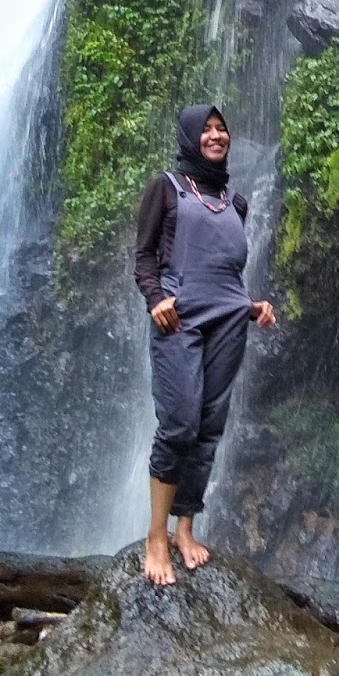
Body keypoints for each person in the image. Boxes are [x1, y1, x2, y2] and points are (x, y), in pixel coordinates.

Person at [133, 103, 276, 583]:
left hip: (229, 322)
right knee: (178, 422)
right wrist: (155, 298)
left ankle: (185, 529)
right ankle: (156, 534)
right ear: (190, 138)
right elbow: (144, 256)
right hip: (180, 321)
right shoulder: (167, 188)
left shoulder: (235, 201)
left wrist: (252, 305)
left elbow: (226, 271)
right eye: (207, 130)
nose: (216, 136)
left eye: (222, 130)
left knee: (209, 426)